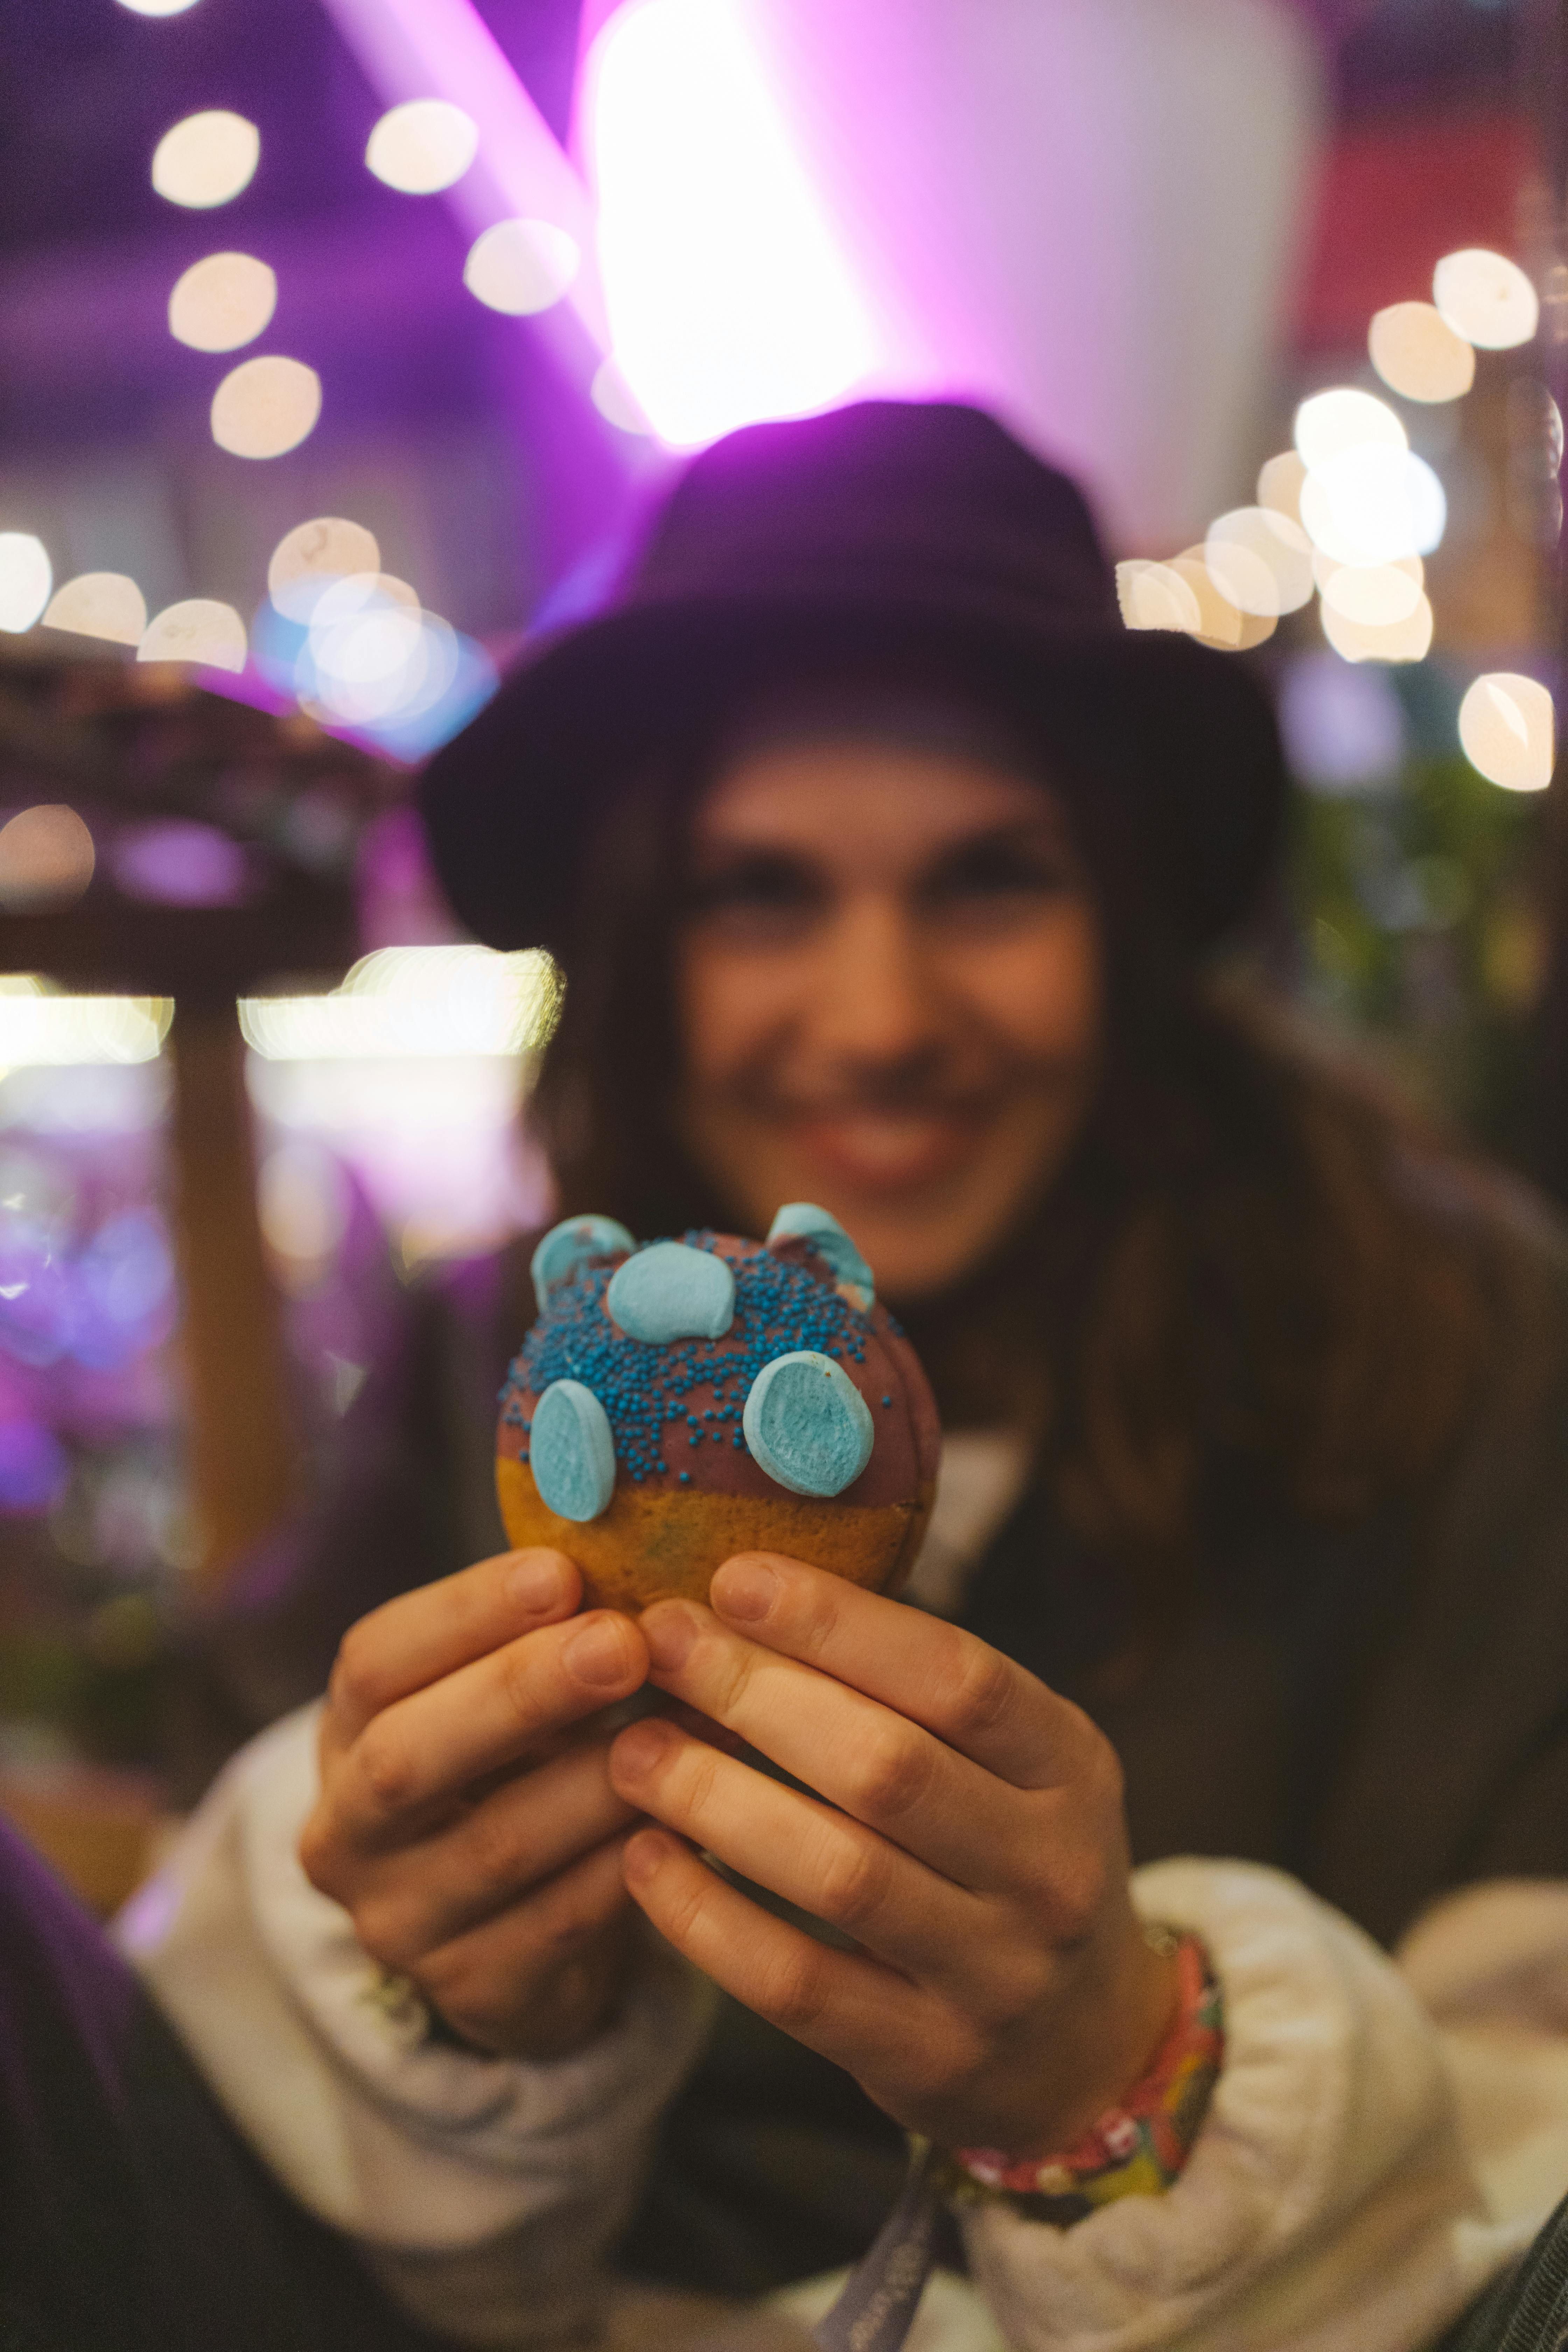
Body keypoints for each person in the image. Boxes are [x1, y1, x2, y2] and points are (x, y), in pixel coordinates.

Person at [46, 401, 1568, 2349]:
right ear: (637, 943)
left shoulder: (1450, 1351)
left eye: (989, 882)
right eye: (760, 894)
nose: (878, 1021)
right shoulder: (497, 1361)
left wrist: (1135, 2087)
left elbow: (1530, 2144)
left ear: (1123, 919)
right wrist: (432, 2012)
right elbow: (185, 2016)